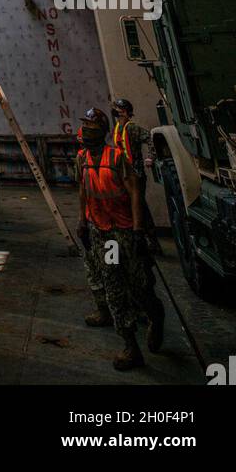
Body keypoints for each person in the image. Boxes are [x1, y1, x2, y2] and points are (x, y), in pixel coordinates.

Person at [75, 106, 164, 371]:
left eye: (91, 128)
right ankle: (130, 346)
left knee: (139, 286)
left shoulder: (116, 158)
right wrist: (82, 221)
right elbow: (83, 190)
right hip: (102, 233)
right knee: (113, 285)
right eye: (85, 128)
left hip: (123, 231)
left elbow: (134, 192)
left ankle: (155, 317)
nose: (86, 132)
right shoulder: (82, 159)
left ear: (100, 132)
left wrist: (138, 230)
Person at [112, 97, 160, 255]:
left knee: (140, 207)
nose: (116, 114)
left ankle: (151, 240)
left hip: (135, 173)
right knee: (134, 206)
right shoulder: (119, 128)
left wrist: (151, 157)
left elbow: (150, 138)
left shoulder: (131, 129)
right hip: (124, 174)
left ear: (124, 111)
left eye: (118, 111)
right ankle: (140, 238)